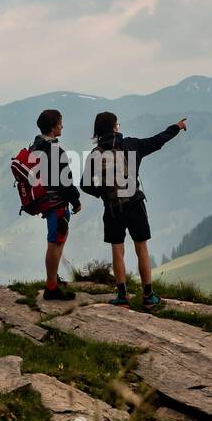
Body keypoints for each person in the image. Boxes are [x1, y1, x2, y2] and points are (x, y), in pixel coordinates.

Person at [81, 110, 186, 309]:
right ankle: (148, 296)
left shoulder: (95, 155)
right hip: (135, 204)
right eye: (117, 124)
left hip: (112, 208)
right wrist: (176, 128)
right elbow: (157, 141)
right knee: (141, 249)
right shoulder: (131, 145)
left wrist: (103, 193)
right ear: (114, 127)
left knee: (117, 250)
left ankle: (122, 297)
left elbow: (85, 185)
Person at [31, 108, 81, 301]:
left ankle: (53, 280)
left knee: (55, 241)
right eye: (60, 123)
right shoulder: (54, 150)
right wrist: (76, 201)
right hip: (57, 203)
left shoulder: (36, 146)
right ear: (53, 127)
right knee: (55, 243)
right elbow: (65, 181)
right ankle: (51, 287)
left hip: (45, 202)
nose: (62, 126)